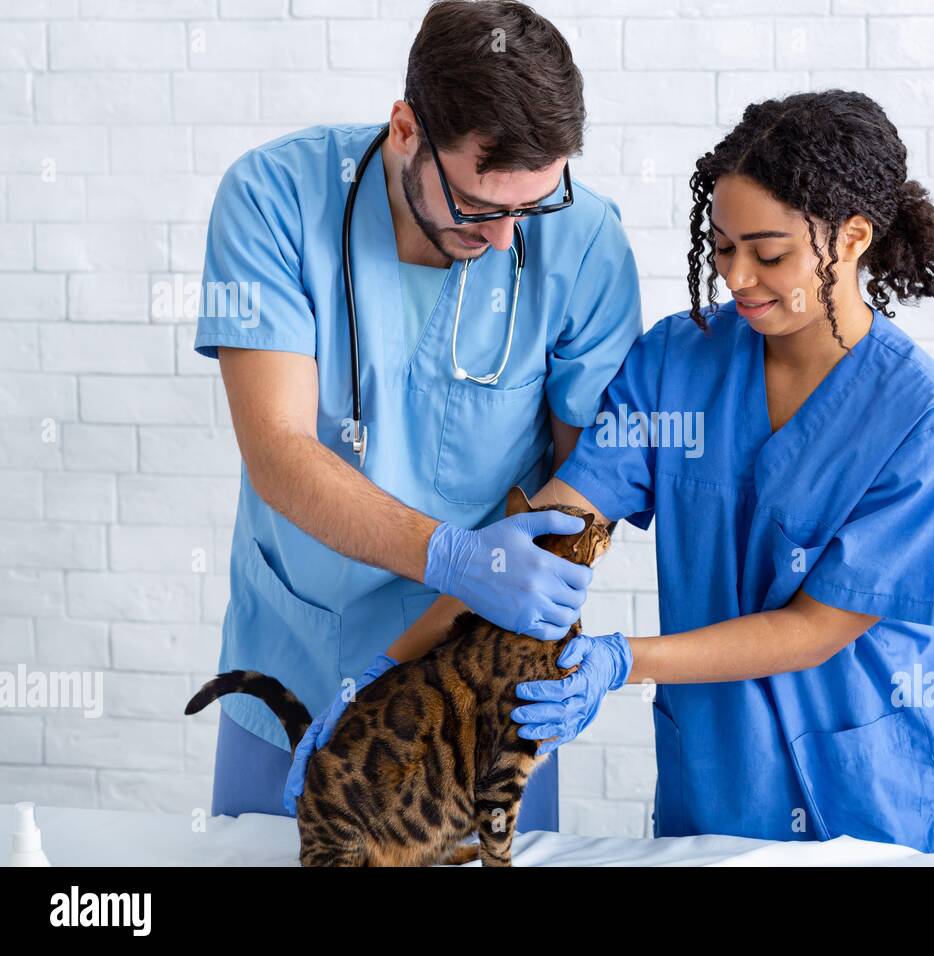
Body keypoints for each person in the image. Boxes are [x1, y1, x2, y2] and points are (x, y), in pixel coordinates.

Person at [195, 0, 642, 833]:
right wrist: (452, 555)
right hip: (299, 657)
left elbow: (590, 478)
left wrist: (527, 607)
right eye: (478, 205)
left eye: (532, 207)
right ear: (406, 129)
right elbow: (280, 449)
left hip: (478, 696)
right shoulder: (274, 198)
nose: (509, 238)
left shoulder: (584, 242)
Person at [509, 89, 934, 852]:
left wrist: (622, 662)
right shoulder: (675, 361)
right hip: (714, 787)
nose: (737, 277)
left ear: (852, 237)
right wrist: (415, 649)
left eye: (769, 253)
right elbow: (563, 524)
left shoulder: (922, 419)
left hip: (860, 802)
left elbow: (815, 629)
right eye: (722, 247)